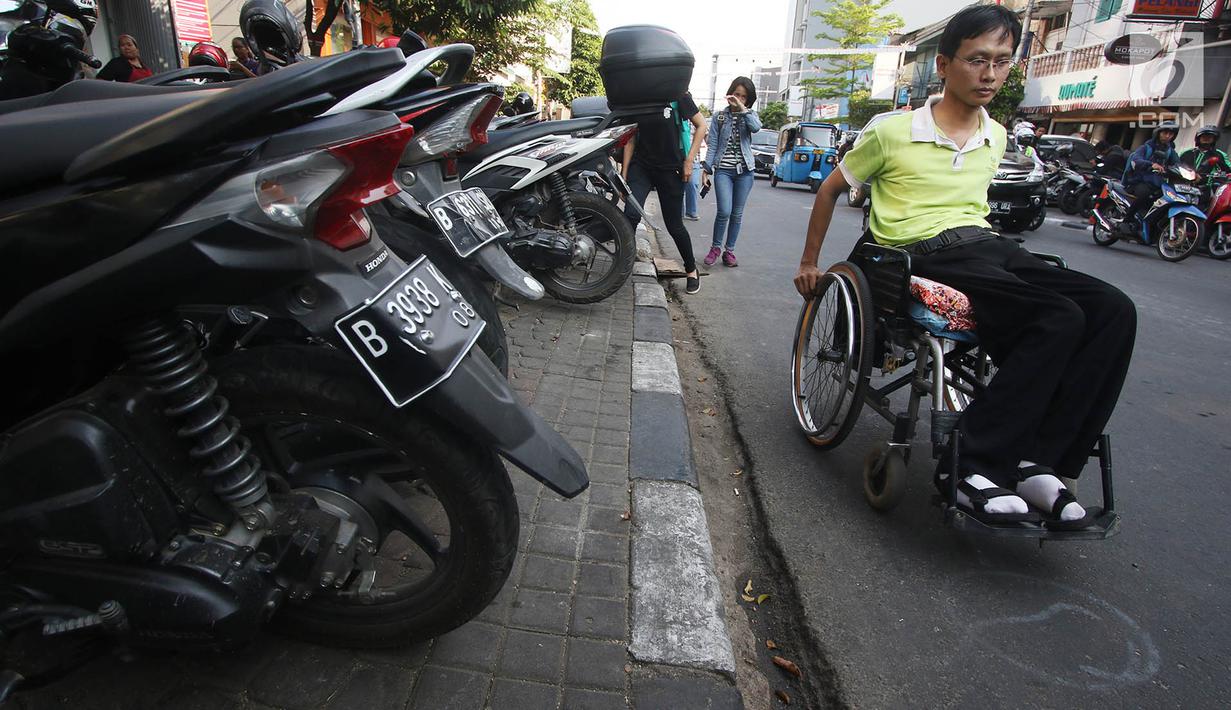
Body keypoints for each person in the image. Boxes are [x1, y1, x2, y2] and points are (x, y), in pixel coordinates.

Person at [793, 5, 1136, 528]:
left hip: (986, 244)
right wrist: (809, 262)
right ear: (945, 64)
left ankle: (1038, 462)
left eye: (1001, 61)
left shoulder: (996, 135)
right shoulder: (893, 132)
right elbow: (829, 190)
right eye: (977, 60)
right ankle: (971, 465)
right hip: (921, 252)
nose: (990, 74)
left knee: (1114, 310)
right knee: (1058, 317)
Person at [622, 92, 708, 294]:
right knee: (630, 215)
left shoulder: (678, 95)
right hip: (642, 167)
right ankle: (621, 264)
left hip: (671, 169)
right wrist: (624, 175)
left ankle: (691, 269)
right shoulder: (638, 96)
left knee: (674, 225)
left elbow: (702, 125)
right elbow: (630, 138)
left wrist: (689, 161)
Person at [701, 77, 762, 267]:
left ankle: (729, 251)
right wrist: (706, 169)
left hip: (745, 172)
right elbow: (712, 145)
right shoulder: (719, 117)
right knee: (724, 211)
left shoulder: (750, 115)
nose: (739, 99)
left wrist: (743, 110)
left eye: (744, 97)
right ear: (730, 94)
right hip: (724, 171)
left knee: (737, 214)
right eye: (737, 94)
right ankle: (715, 248)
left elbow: (756, 128)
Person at [1123, 123, 1179, 225]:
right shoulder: (1146, 147)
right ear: (1158, 133)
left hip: (1158, 185)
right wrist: (1151, 165)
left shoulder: (1170, 152)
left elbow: (1178, 164)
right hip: (1139, 181)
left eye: (1171, 134)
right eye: (1165, 133)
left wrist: (1192, 173)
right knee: (1144, 194)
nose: (1167, 136)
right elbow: (1136, 160)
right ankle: (1127, 220)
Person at [1178, 125, 1231, 190]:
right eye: (1204, 136)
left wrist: (1213, 175)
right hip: (1182, 185)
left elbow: (1228, 171)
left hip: (1205, 189)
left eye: (1210, 137)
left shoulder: (1220, 154)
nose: (1206, 138)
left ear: (1214, 139)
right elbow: (1176, 166)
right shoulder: (1186, 152)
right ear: (1198, 138)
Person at [683, 122, 702, 221]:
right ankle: (679, 212)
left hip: (694, 159)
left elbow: (705, 135)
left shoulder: (697, 120)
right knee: (679, 186)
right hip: (678, 158)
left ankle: (691, 212)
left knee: (692, 183)